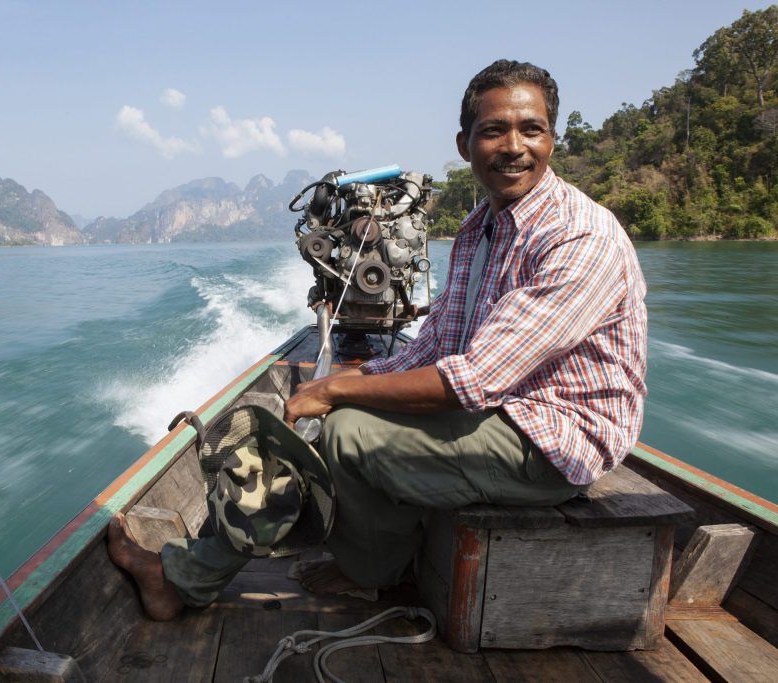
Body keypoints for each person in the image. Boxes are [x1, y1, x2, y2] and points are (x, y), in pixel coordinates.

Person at [108, 58, 647, 618]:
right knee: (332, 399)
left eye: (531, 129)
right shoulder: (478, 228)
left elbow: (474, 379)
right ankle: (249, 565)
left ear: (552, 140)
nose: (514, 146)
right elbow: (434, 347)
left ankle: (329, 572)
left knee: (347, 431)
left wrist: (339, 394)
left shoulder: (579, 237)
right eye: (494, 130)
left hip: (556, 439)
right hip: (501, 410)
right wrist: (353, 375)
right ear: (465, 144)